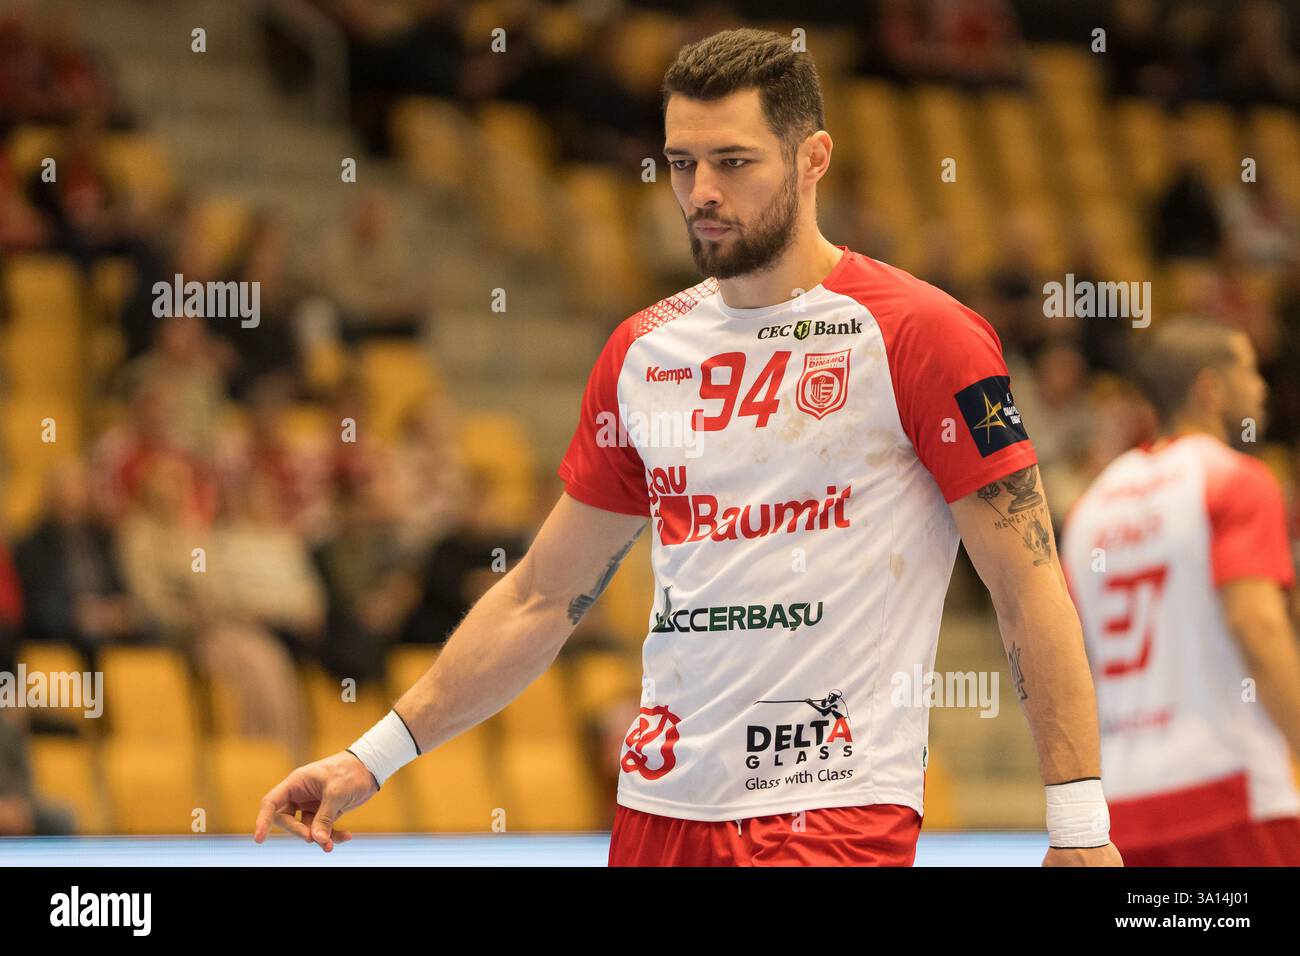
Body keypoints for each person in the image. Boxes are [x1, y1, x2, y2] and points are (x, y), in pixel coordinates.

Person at [255, 28, 1120, 867]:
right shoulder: (644, 352)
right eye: (681, 163)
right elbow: (539, 599)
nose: (701, 190)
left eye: (733, 162)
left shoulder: (920, 335)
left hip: (833, 807)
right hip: (658, 811)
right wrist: (368, 758)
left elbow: (1026, 579)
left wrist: (1077, 820)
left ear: (813, 158)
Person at [1062, 318, 1300, 866]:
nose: (1262, 387)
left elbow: (1073, 662)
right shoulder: (1236, 479)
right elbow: (1257, 629)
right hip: (1232, 789)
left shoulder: (1090, 508)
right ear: (1209, 387)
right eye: (1249, 371)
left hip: (1121, 808)